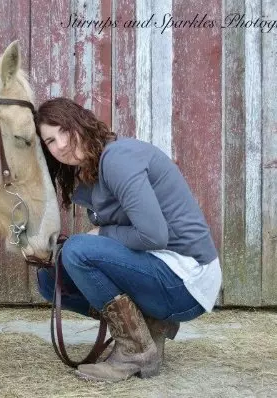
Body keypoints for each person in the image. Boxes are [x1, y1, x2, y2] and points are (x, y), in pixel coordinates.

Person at [34, 97, 222, 382]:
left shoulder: (117, 158)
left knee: (77, 251)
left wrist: (101, 234)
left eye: (64, 130)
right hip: (158, 270)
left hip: (186, 280)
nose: (60, 145)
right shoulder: (90, 174)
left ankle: (136, 351)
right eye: (49, 141)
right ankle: (147, 327)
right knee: (51, 278)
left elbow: (153, 235)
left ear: (81, 123)